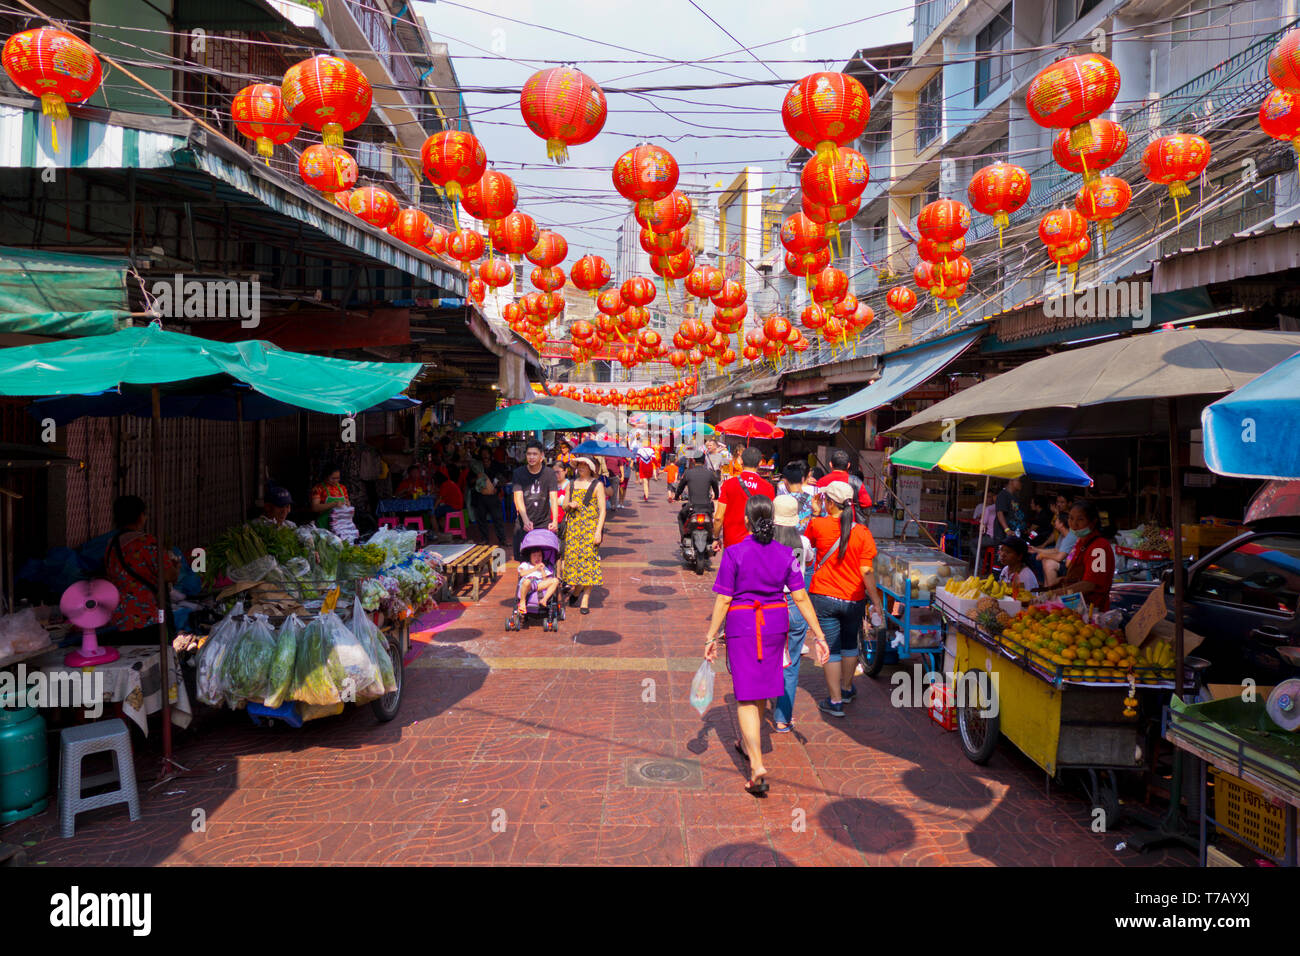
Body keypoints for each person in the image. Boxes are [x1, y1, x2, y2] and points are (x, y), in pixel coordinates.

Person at [703, 496, 828, 796]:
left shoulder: (734, 553)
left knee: (745, 695)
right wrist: (819, 635)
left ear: (746, 520)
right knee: (759, 689)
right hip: (775, 624)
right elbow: (800, 598)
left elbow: (723, 599)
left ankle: (756, 764)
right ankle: (748, 744)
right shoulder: (786, 554)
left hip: (744, 624)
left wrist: (710, 637)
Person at [805, 481, 885, 718]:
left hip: (825, 596)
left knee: (831, 648)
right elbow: (866, 571)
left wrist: (815, 513)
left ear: (829, 502)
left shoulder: (817, 524)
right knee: (851, 645)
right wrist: (877, 602)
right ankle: (847, 689)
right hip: (854, 598)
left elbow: (808, 546)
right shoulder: (862, 532)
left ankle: (835, 701)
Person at [104, 495, 179, 644]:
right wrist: (176, 566)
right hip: (147, 616)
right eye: (145, 514)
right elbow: (169, 575)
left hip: (119, 618)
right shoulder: (147, 542)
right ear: (140, 516)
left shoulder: (110, 545)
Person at [772, 495, 814, 734]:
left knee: (766, 658)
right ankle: (782, 717)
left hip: (770, 605)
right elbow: (809, 560)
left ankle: (756, 706)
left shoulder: (764, 542)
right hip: (796, 605)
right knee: (791, 663)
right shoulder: (803, 541)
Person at [562, 457, 606, 614]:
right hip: (573, 529)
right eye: (578, 465)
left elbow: (602, 510)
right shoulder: (571, 484)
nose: (580, 468)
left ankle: (585, 599)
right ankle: (576, 590)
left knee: (589, 564)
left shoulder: (597, 485)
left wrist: (598, 532)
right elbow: (564, 506)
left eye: (583, 466)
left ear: (590, 468)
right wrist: (569, 505)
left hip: (590, 529)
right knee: (574, 562)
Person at [1055, 499, 1115, 610]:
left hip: (1093, 611)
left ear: (1093, 522)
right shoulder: (1080, 542)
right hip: (1076, 607)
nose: (1074, 524)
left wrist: (1058, 592)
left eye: (1080, 519)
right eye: (1071, 518)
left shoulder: (1099, 548)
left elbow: (1090, 584)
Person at [713, 446, 776, 551]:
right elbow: (770, 517)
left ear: (741, 460)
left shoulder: (729, 484)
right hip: (757, 543)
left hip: (732, 543)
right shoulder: (768, 487)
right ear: (760, 463)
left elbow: (718, 517)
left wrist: (715, 537)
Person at [511, 439, 560, 559]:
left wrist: (555, 521)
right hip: (524, 522)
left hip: (544, 523)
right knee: (523, 559)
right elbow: (518, 498)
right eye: (529, 454)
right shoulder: (518, 473)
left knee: (545, 559)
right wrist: (526, 520)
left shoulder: (549, 473)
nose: (531, 457)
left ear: (541, 456)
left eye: (535, 454)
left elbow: (553, 498)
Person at [668, 447, 720, 535]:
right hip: (706, 507)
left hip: (692, 508)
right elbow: (716, 488)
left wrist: (676, 497)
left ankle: (683, 537)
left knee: (680, 517)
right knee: (712, 520)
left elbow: (680, 487)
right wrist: (716, 496)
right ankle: (712, 537)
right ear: (704, 461)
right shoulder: (710, 474)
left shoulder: (688, 473)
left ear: (693, 460)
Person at [1031, 512, 1078, 586]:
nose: (1054, 522)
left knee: (1049, 563)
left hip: (1071, 567)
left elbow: (1059, 557)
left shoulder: (1070, 536)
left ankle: (1051, 590)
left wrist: (1043, 555)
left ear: (1061, 523)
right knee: (1045, 560)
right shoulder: (1062, 535)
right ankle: (1046, 589)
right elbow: (1056, 550)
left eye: (1056, 520)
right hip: (1064, 564)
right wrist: (1036, 550)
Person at [468, 460, 506, 547]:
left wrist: (497, 488)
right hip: (479, 498)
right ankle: (484, 539)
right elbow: (470, 483)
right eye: (484, 460)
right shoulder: (474, 472)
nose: (486, 462)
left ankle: (502, 539)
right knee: (481, 519)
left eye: (487, 460)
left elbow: (502, 480)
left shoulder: (494, 469)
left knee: (497, 518)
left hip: (493, 497)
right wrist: (478, 477)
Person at [515, 547, 559, 618]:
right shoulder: (525, 564)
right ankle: (522, 601)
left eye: (539, 556)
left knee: (555, 580)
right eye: (534, 556)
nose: (537, 558)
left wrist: (542, 570)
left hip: (538, 584)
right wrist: (535, 568)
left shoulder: (543, 567)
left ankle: (544, 600)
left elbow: (545, 580)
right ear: (530, 557)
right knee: (527, 581)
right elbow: (522, 574)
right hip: (527, 584)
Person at [776, 461, 814, 532]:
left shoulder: (781, 502)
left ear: (785, 481)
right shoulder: (814, 501)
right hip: (808, 540)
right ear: (802, 479)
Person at [311, 464, 350, 529]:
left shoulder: (342, 488)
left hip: (340, 526)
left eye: (338, 478)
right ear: (326, 476)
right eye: (333, 478)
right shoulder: (318, 489)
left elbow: (347, 502)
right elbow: (315, 507)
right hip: (324, 525)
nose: (335, 480)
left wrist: (348, 504)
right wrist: (334, 504)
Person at [992, 475, 1026, 545]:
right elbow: (1000, 513)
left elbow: (1016, 513)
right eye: (1020, 481)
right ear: (1011, 481)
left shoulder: (1015, 497)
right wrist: (1007, 529)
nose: (1021, 484)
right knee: (1001, 554)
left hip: (1013, 533)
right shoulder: (1003, 495)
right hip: (1003, 534)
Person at [634, 438, 657, 502]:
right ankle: (646, 494)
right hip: (649, 467)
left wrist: (636, 464)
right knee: (648, 482)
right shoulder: (651, 450)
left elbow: (637, 459)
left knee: (645, 483)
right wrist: (657, 466)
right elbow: (654, 459)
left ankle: (646, 496)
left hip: (642, 467)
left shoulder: (640, 450)